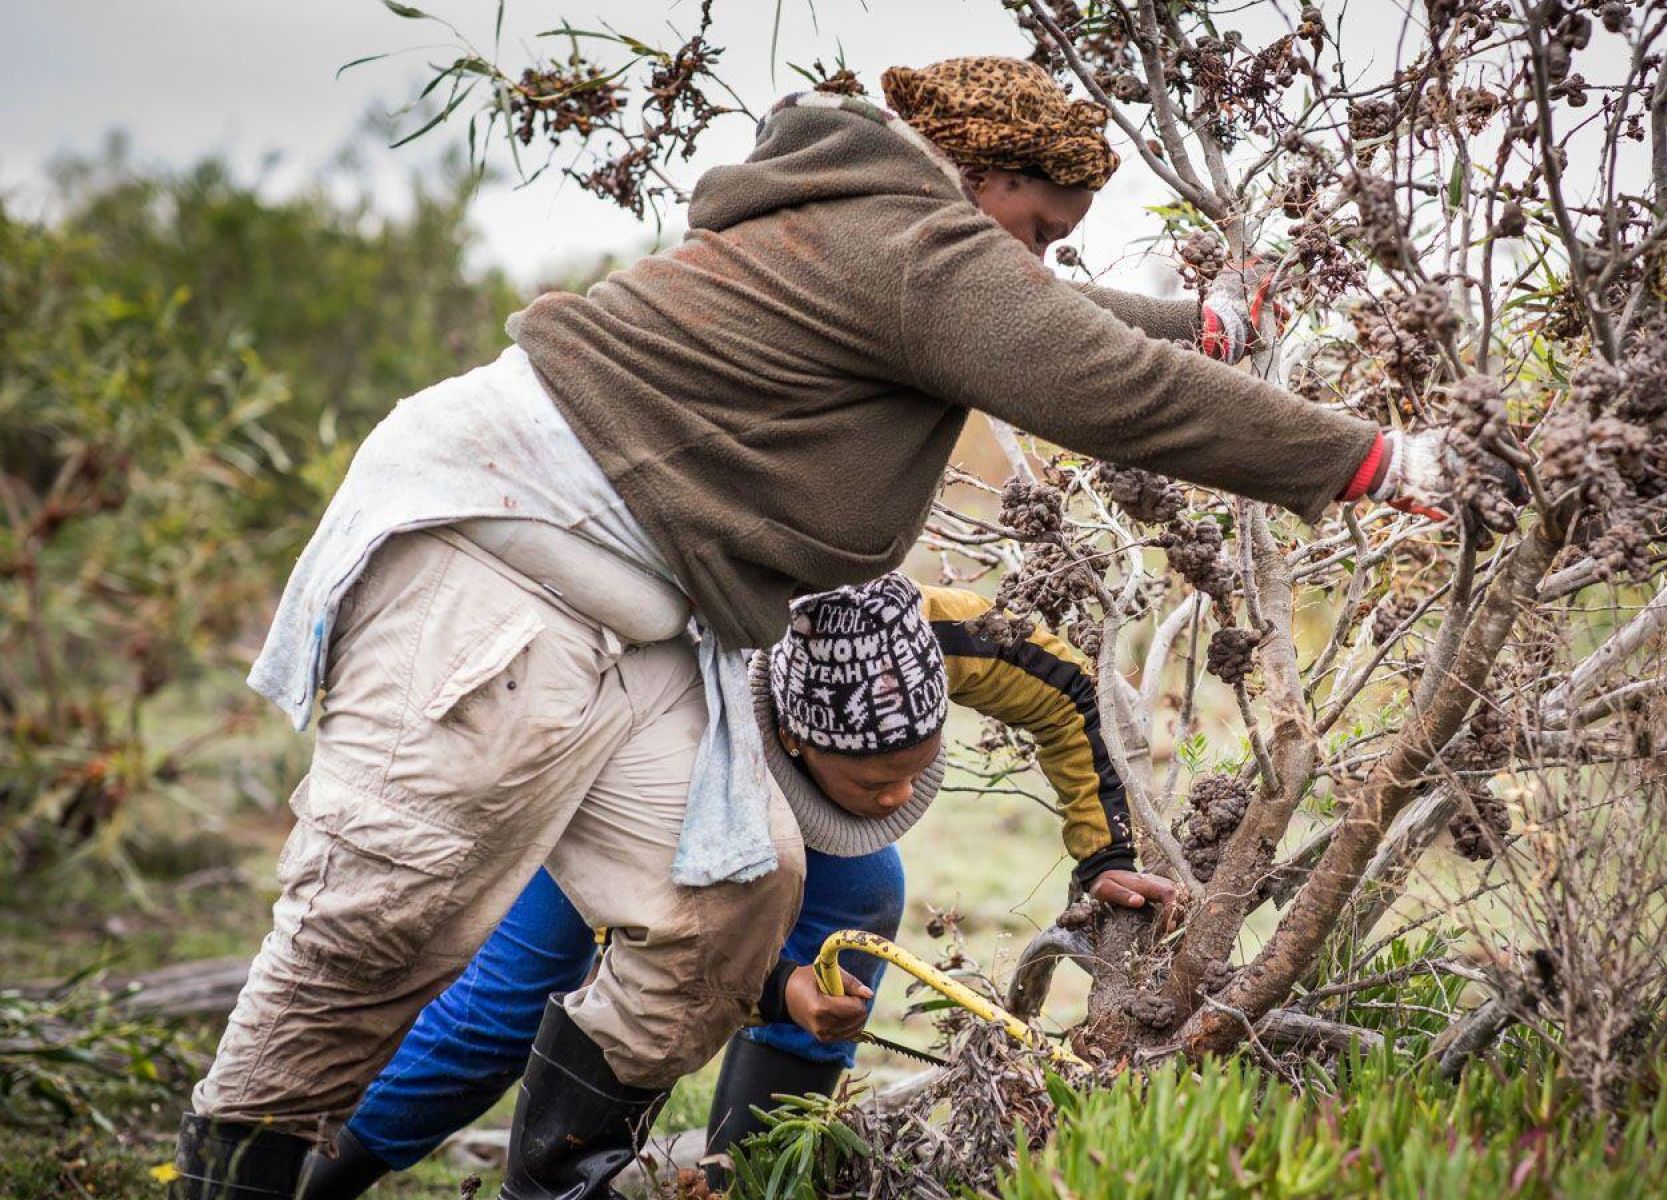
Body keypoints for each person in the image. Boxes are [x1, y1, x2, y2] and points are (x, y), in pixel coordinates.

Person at [174, 55, 1470, 1200]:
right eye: (1032, 228)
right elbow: (1092, 376)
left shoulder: (901, 249)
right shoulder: (900, 242)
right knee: (376, 929)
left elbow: (1040, 323)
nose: (1037, 263)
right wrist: (1377, 462)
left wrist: (1209, 325)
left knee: (731, 901)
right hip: (492, 565)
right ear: (970, 178)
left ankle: (561, 1184)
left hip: (642, 622)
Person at [293, 573, 1164, 1197]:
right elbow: (675, 936)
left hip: (761, 786)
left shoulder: (931, 637)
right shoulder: (690, 709)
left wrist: (1106, 854)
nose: (903, 798)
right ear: (792, 738)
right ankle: (312, 1174)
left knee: (863, 896)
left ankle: (743, 1180)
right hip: (628, 781)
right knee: (509, 1001)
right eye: (874, 785)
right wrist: (780, 995)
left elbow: (1065, 691)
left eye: (916, 773)